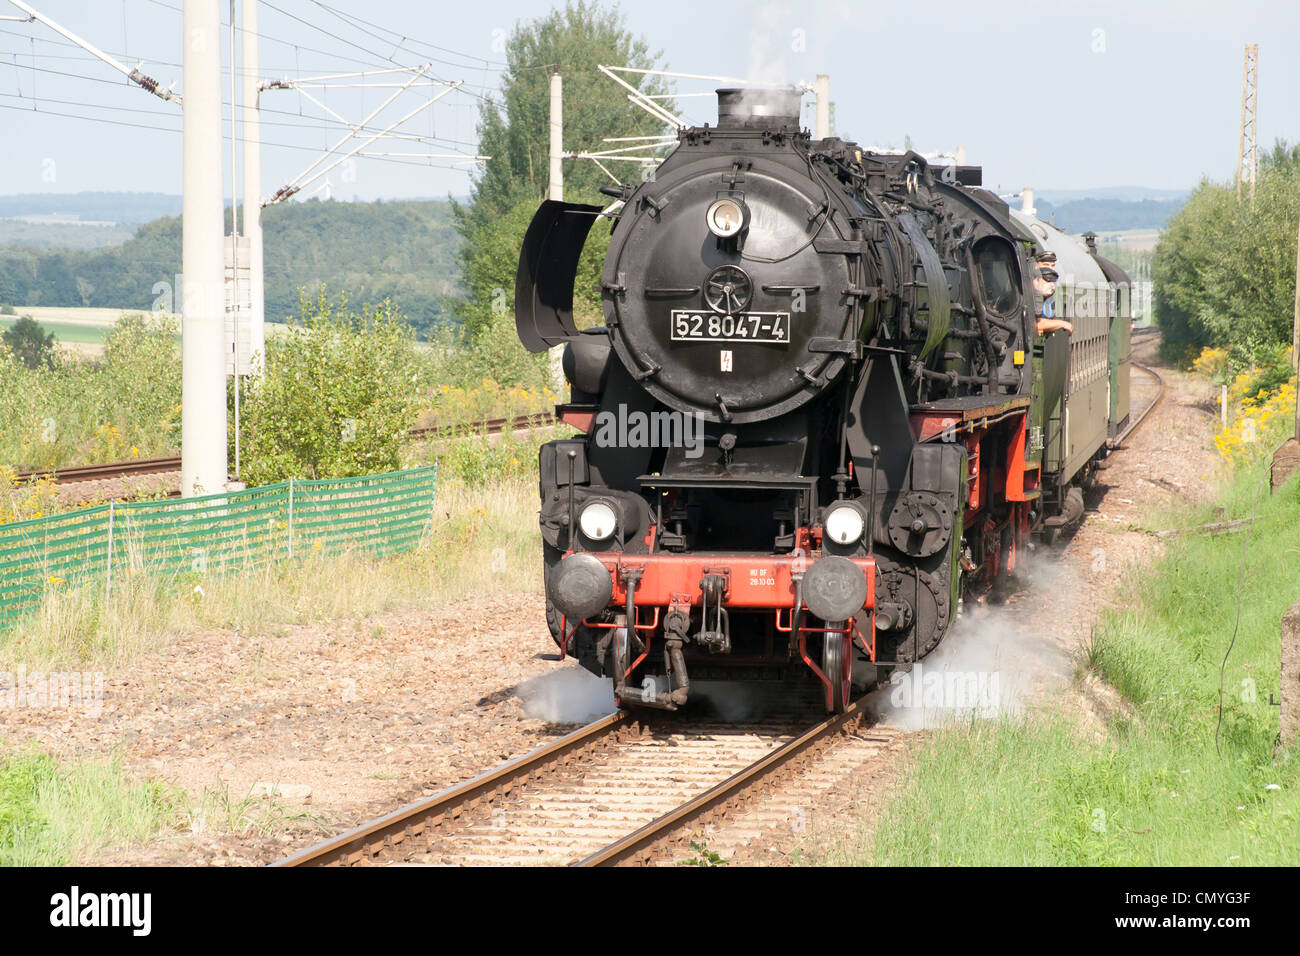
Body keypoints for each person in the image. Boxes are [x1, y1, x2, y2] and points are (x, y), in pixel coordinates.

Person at [1033, 262, 1073, 336]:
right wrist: (1062, 324)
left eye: (1053, 282)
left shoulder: (1046, 299)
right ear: (1036, 280)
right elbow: (1036, 325)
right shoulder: (1031, 298)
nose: (1051, 285)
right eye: (1047, 280)